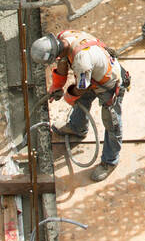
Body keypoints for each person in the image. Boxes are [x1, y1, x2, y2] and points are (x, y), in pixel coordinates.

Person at [29, 30, 131, 182]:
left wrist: (69, 95)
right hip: (94, 76)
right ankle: (77, 127)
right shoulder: (63, 38)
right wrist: (57, 86)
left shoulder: (81, 61)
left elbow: (82, 87)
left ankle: (110, 161)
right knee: (81, 100)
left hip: (110, 84)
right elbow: (62, 62)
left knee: (112, 124)